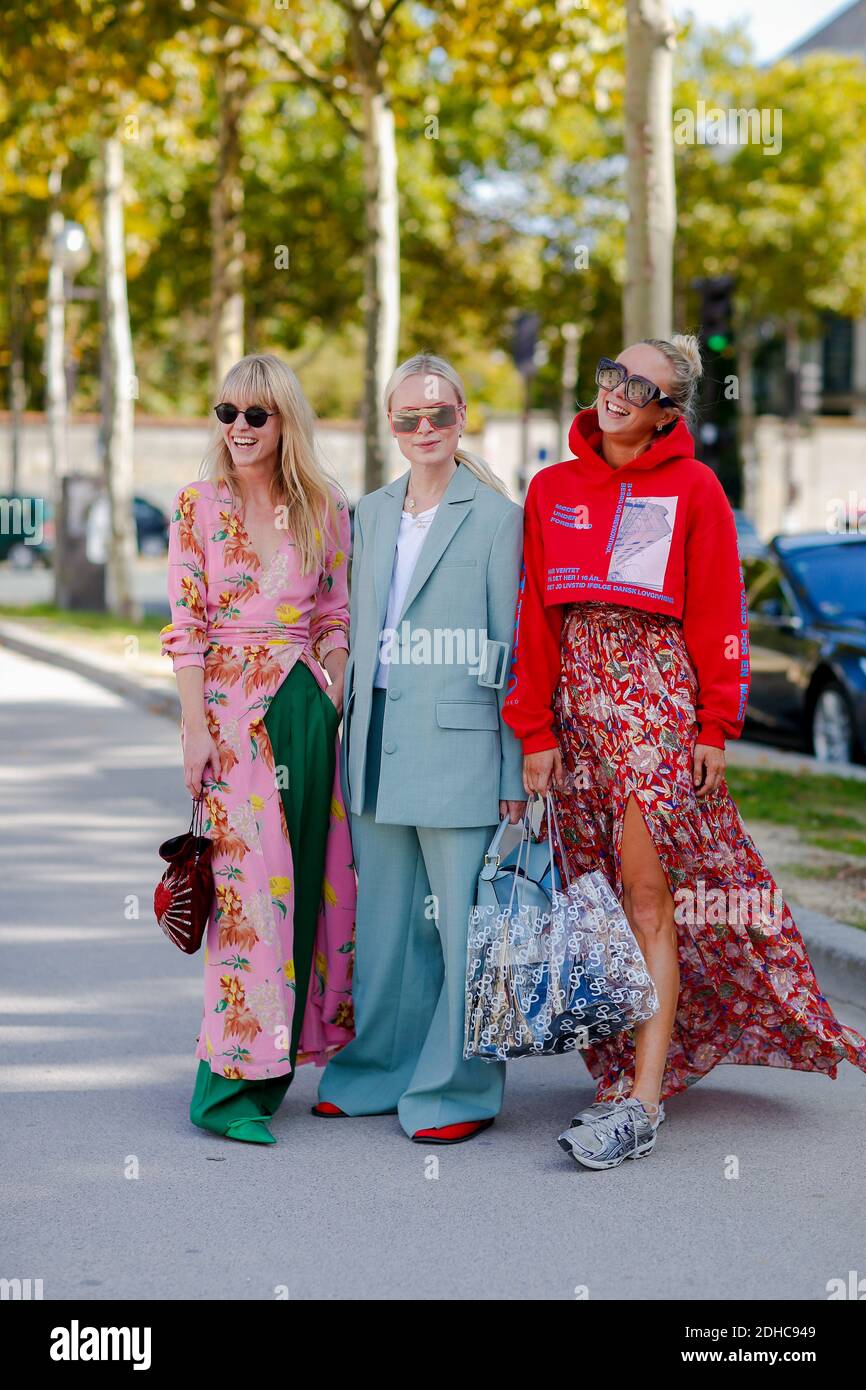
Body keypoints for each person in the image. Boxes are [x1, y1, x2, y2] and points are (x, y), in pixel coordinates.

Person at [502, 334, 866, 1170]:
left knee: (645, 893)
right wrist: (534, 730)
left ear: (670, 411)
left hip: (654, 712)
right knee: (599, 896)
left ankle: (641, 1099)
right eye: (613, 374)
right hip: (576, 719)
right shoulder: (551, 490)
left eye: (641, 384)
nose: (618, 391)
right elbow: (535, 620)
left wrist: (714, 726)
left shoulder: (696, 489)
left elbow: (719, 616)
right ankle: (624, 1064)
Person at [314, 352, 526, 1143]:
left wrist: (513, 767)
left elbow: (511, 650)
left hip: (464, 753)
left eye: (440, 414)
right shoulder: (365, 513)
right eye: (409, 417)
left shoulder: (501, 518)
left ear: (462, 417)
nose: (425, 428)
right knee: (392, 930)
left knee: (465, 931)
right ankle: (377, 1074)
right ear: (390, 424)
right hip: (373, 748)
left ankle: (456, 1092)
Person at [161, 352, 356, 1144]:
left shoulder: (325, 506)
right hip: (231, 718)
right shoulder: (195, 506)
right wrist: (195, 728)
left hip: (305, 712)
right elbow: (186, 625)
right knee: (245, 900)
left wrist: (334, 690)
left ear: (285, 423)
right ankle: (226, 1092)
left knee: (306, 884)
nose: (238, 428)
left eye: (255, 415)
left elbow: (336, 613)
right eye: (226, 413)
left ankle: (279, 1070)